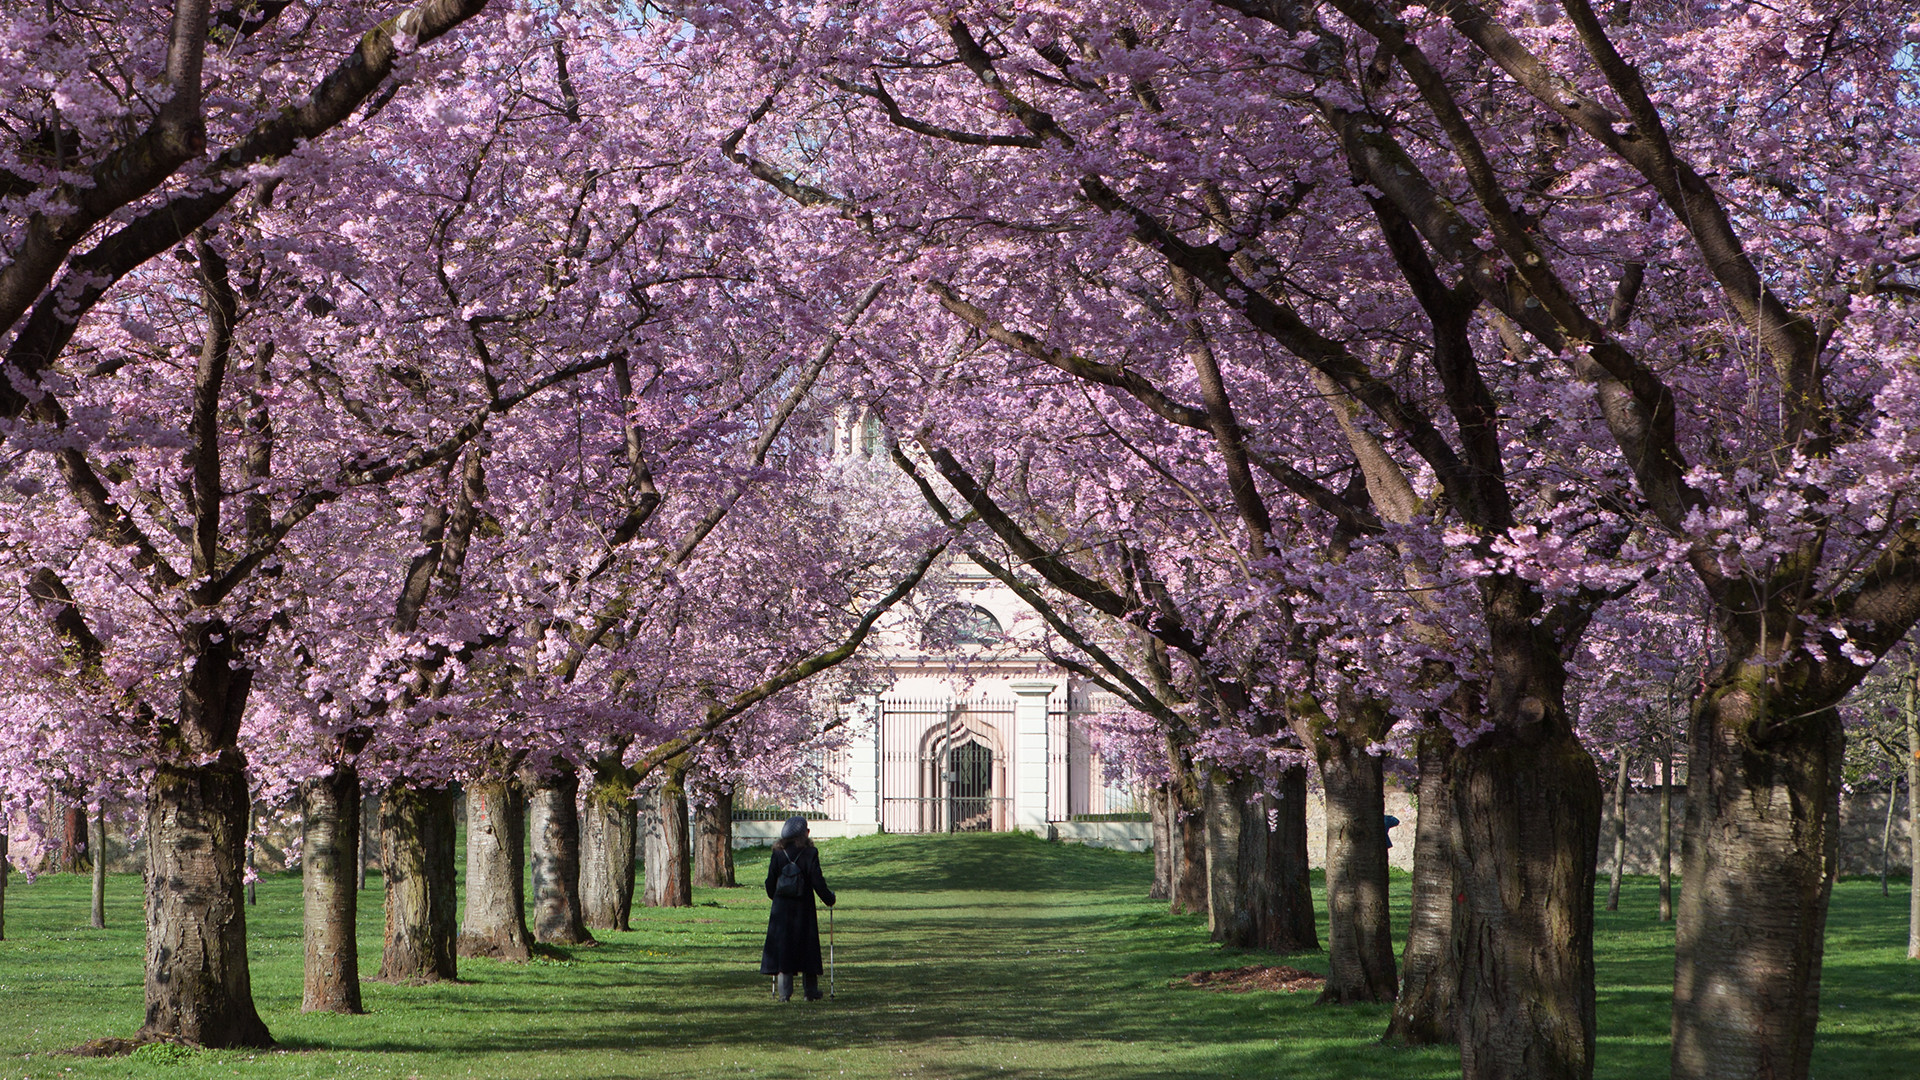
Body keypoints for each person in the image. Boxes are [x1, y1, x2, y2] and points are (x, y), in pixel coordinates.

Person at [761, 815, 835, 1002]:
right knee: (807, 947)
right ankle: (810, 991)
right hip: (804, 908)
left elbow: (770, 882)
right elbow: (817, 881)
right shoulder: (810, 853)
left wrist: (776, 896)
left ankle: (784, 993)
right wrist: (829, 898)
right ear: (805, 834)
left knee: (783, 947)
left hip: (781, 908)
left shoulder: (778, 853)